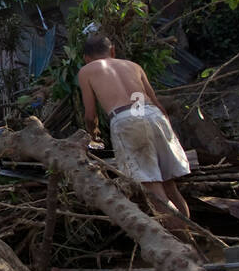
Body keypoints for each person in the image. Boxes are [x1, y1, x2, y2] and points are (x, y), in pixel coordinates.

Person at [78, 34, 191, 221]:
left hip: (126, 120)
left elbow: (90, 115)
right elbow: (157, 103)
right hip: (153, 114)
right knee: (171, 188)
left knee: (155, 194)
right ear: (112, 51)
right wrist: (169, 132)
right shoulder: (133, 65)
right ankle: (192, 234)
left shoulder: (87, 70)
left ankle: (185, 243)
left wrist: (94, 136)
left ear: (86, 58)